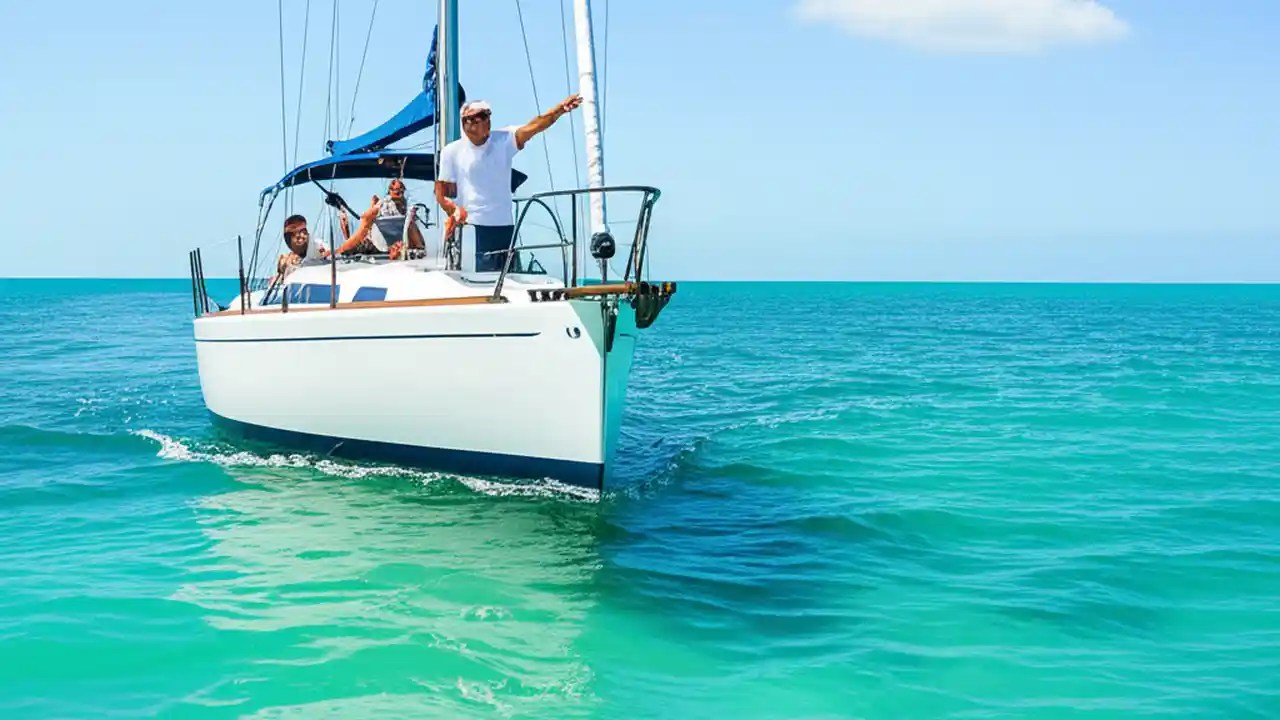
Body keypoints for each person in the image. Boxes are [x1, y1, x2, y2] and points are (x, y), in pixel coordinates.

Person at [435, 95, 583, 271]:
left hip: (505, 227)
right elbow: (441, 193)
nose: (488, 120)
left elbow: (535, 126)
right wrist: (454, 209)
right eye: (482, 116)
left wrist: (559, 109)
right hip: (473, 229)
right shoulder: (451, 152)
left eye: (488, 115)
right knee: (479, 282)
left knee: (508, 282)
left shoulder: (503, 140)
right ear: (468, 122)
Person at [334, 179, 425, 258]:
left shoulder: (409, 208)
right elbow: (364, 219)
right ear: (390, 191)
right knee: (348, 250)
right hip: (376, 244)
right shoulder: (382, 204)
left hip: (400, 247)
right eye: (395, 189)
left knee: (411, 225)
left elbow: (414, 231)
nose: (398, 192)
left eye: (401, 189)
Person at [275, 214, 329, 279]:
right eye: (296, 234)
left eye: (304, 232)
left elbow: (329, 255)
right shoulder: (292, 258)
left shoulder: (318, 246)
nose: (302, 236)